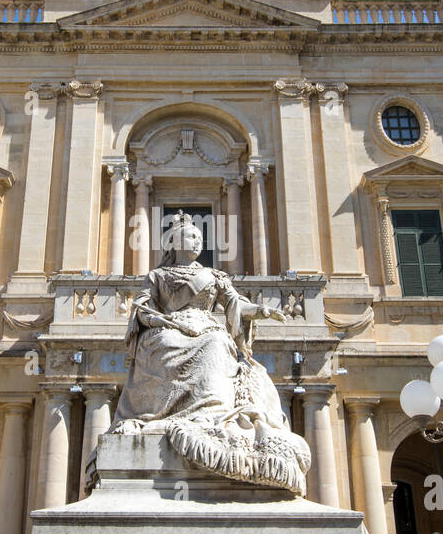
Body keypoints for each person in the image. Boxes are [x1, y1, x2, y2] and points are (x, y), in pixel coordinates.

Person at [108, 211, 311, 495]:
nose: (196, 242)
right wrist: (158, 320)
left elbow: (235, 305)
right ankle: (163, 414)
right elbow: (143, 310)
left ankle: (209, 412)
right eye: (190, 236)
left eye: (199, 238)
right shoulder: (158, 275)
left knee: (216, 343)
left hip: (207, 330)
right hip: (167, 332)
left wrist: (262, 310)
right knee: (164, 341)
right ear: (174, 243)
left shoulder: (214, 276)